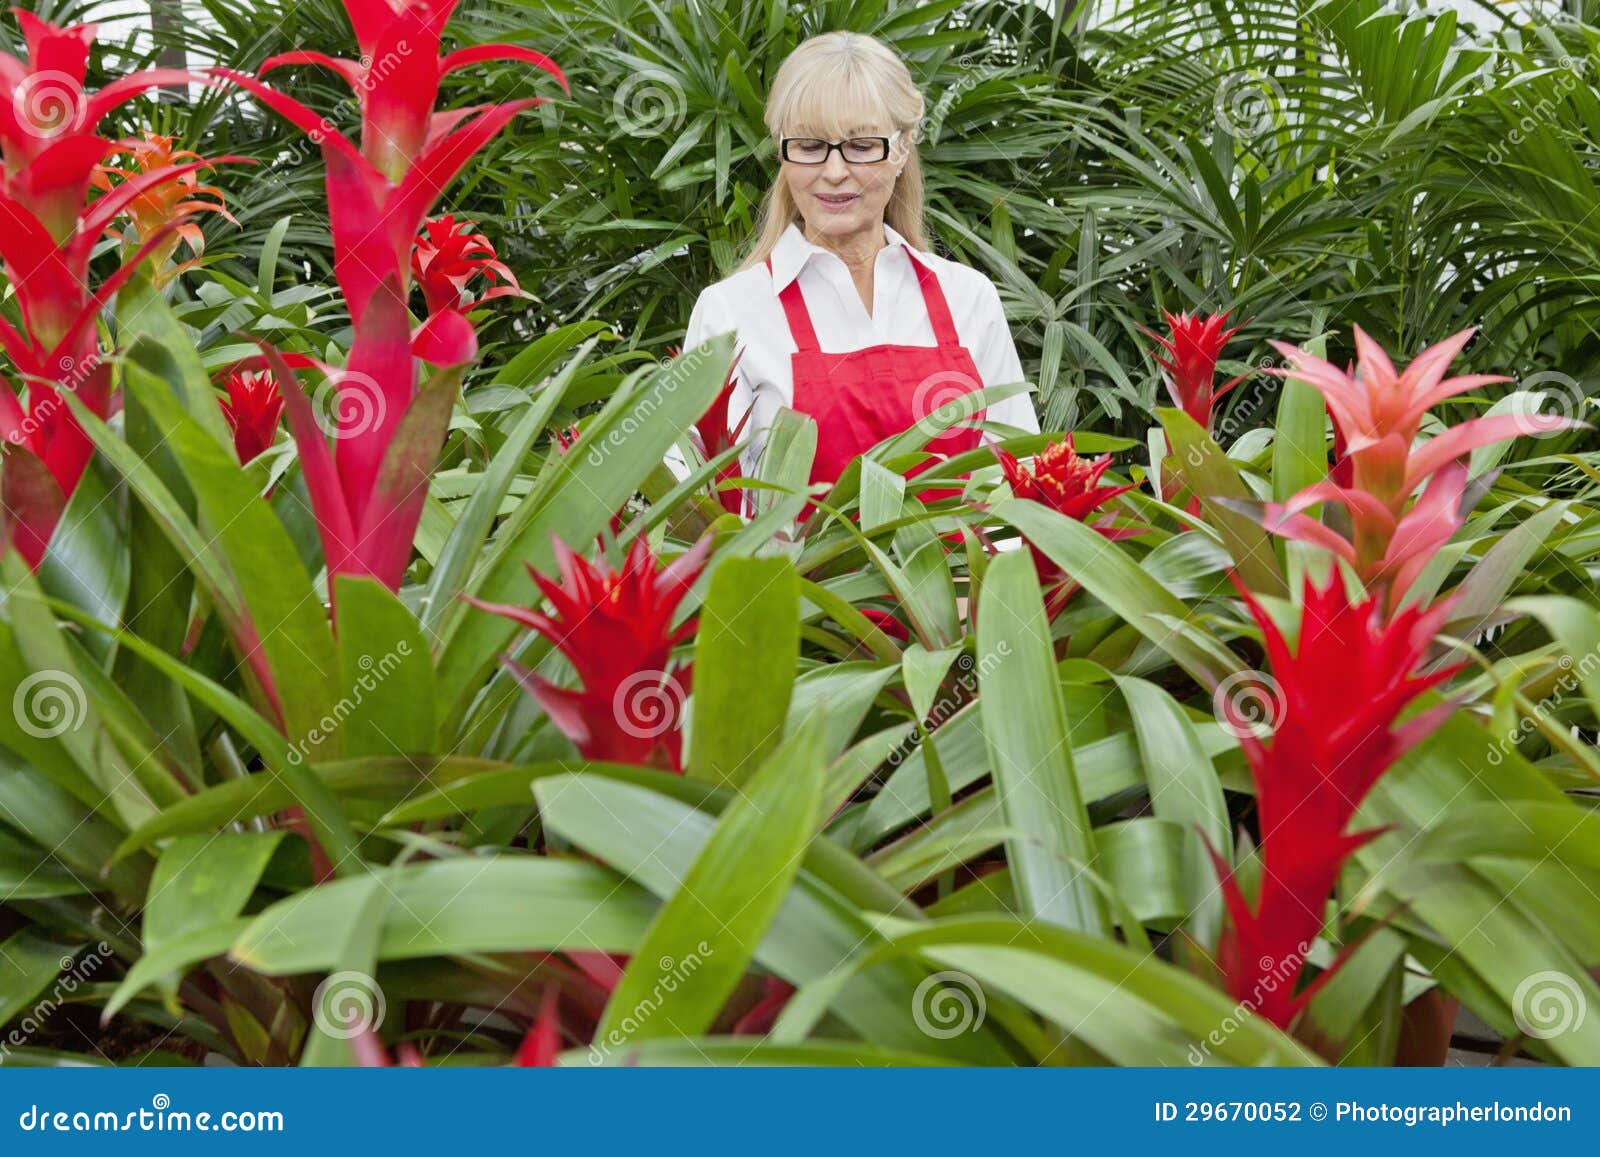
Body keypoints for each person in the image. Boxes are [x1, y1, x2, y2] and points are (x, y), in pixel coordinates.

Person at [681, 30, 1039, 508]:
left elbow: (1019, 481)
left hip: (963, 583)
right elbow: (701, 508)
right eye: (809, 146)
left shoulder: (968, 299)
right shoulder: (730, 314)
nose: (833, 172)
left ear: (903, 147)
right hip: (790, 585)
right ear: (782, 152)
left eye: (860, 145)